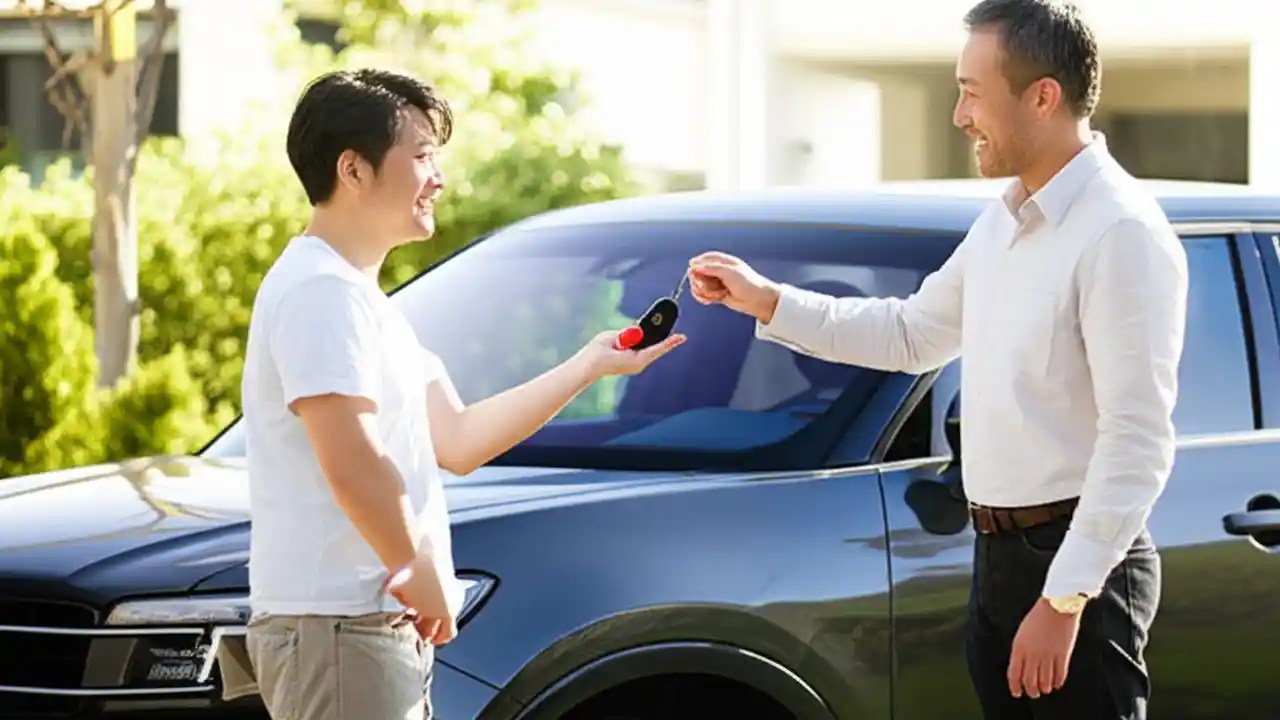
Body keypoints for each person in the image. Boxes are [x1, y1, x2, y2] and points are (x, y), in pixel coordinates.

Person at [687, 1, 1187, 718]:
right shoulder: (1005, 220)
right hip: (1000, 561)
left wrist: (1065, 597)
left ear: (1042, 96)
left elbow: (1138, 438)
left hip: (1079, 572)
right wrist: (768, 302)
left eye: (972, 92)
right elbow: (911, 333)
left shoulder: (1121, 233)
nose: (959, 115)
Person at [234, 68, 684, 720]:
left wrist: (588, 367)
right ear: (353, 170)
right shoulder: (318, 292)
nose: (437, 177)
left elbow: (459, 439)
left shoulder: (362, 300)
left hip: (369, 624)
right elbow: (351, 460)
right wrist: (414, 571)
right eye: (420, 157)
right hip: (339, 622)